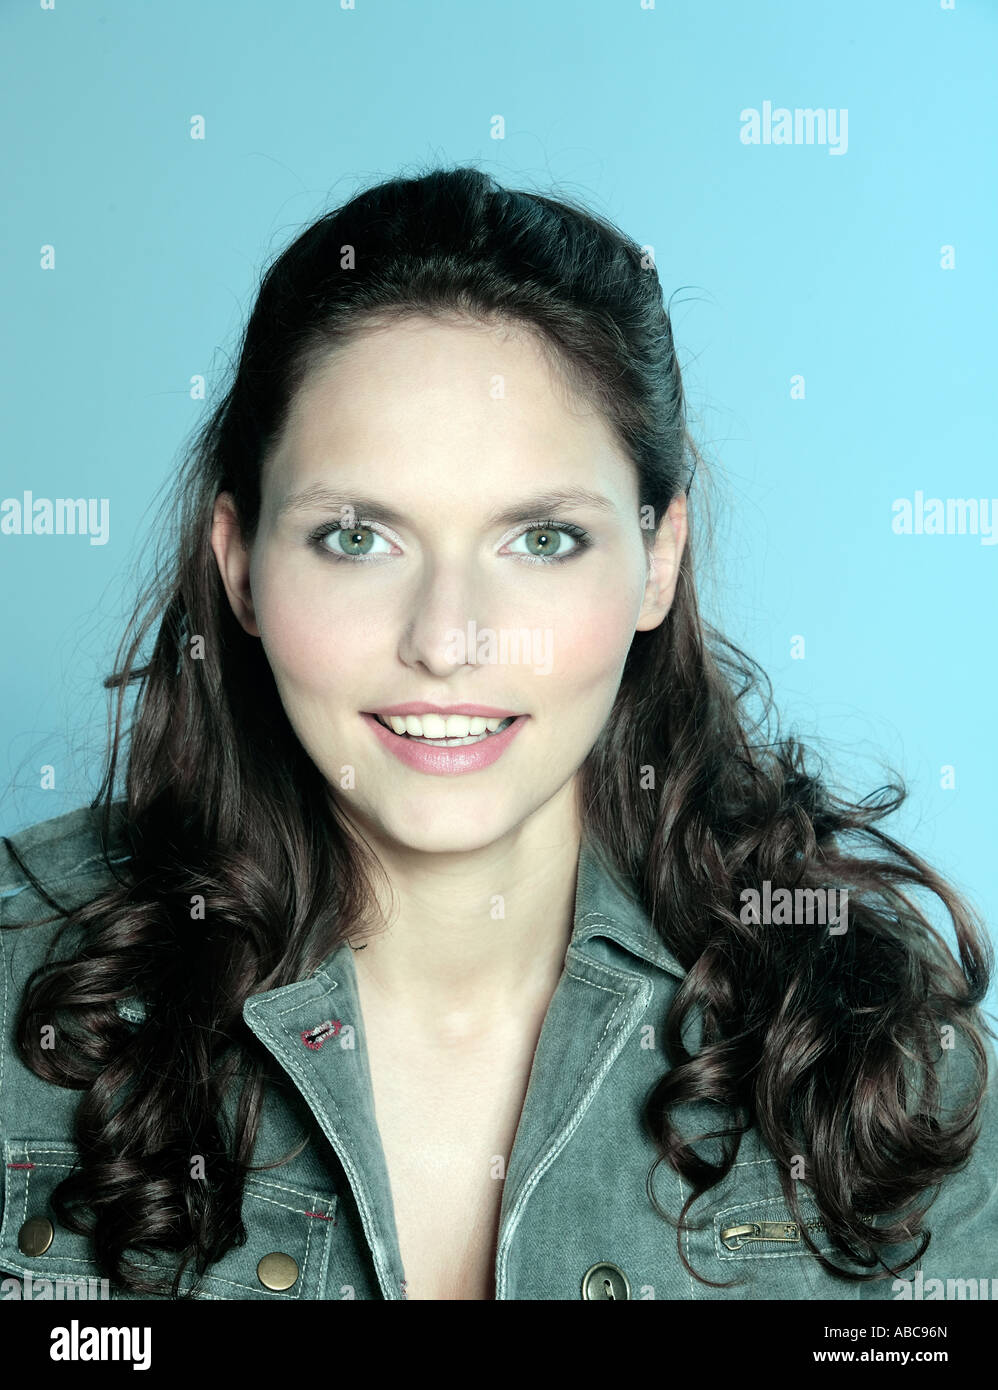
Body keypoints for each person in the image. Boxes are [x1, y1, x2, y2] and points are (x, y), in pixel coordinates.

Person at [1, 167, 995, 1303]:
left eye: (540, 540)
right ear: (239, 562)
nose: (447, 639)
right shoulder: (13, 984)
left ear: (655, 558)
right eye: (355, 537)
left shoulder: (872, 1044)